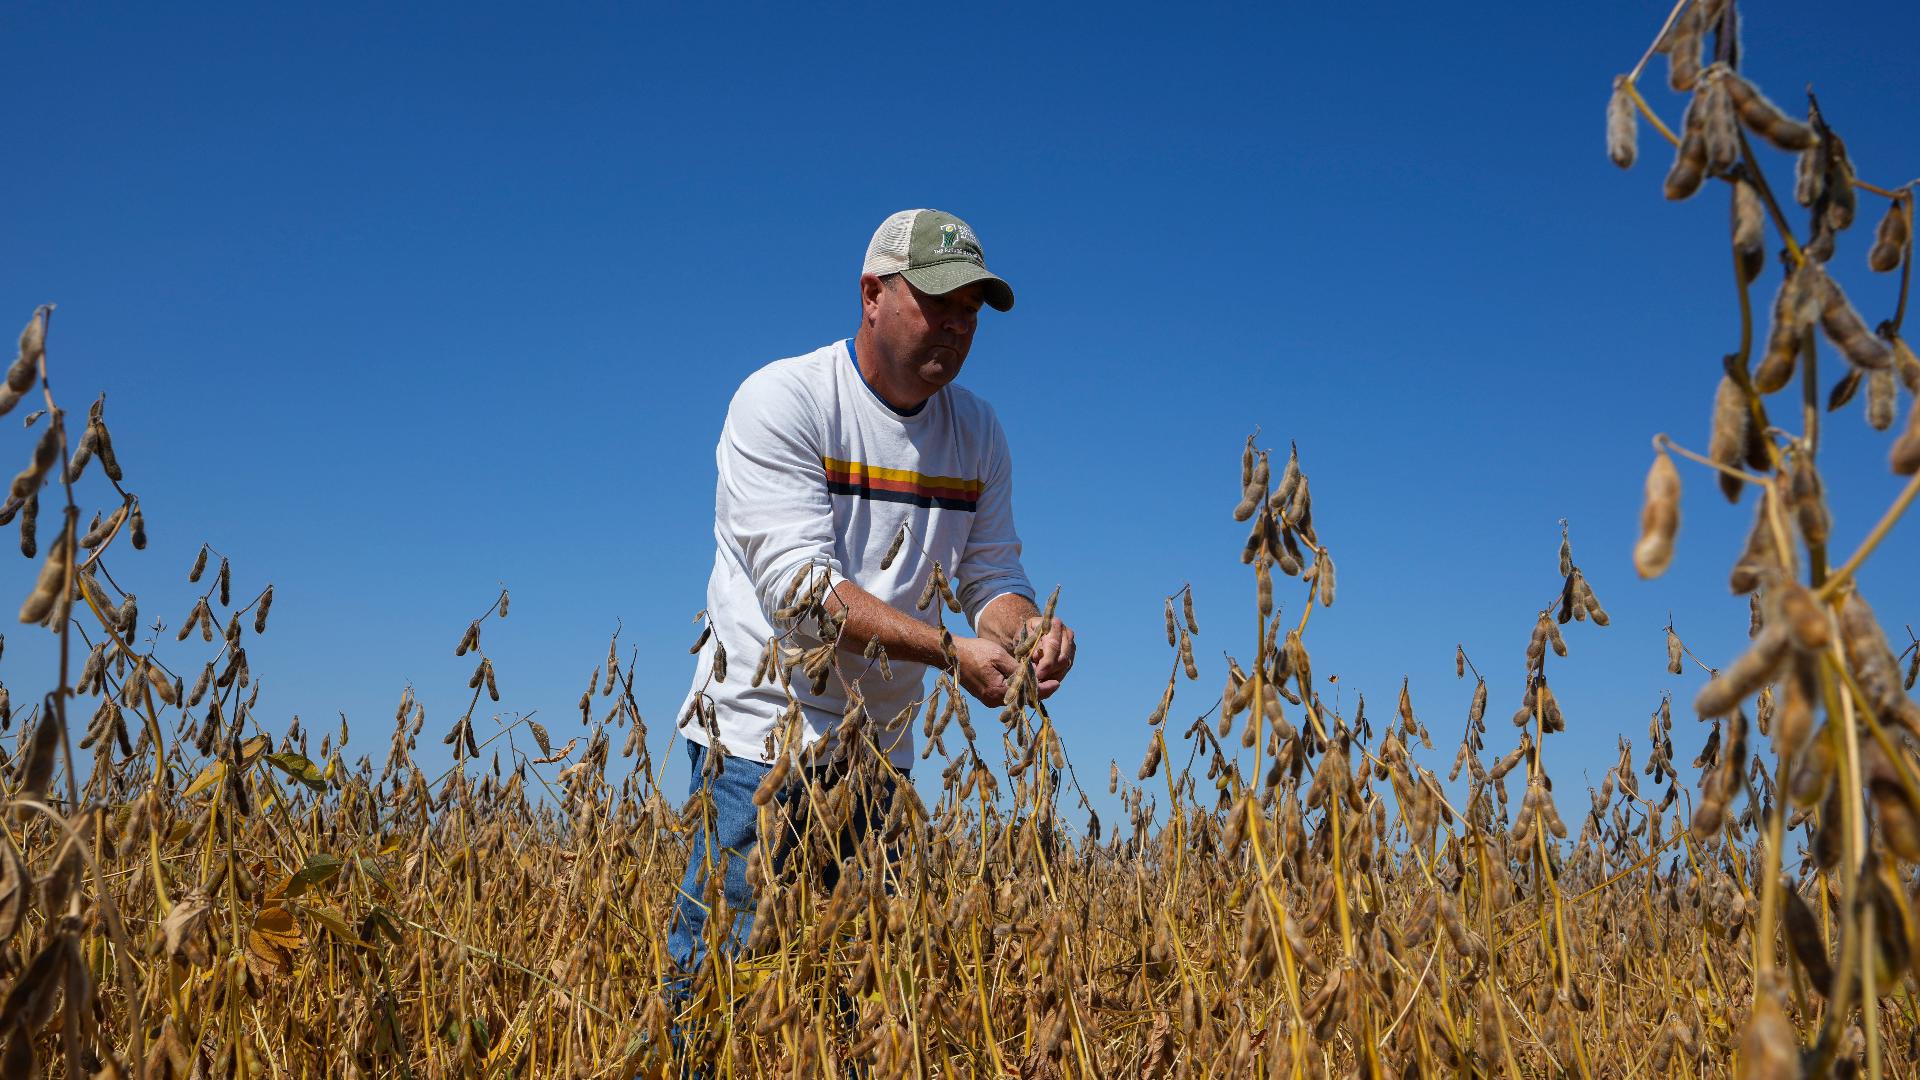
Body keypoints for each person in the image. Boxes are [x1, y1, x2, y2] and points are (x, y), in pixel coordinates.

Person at [663, 208, 1076, 1023]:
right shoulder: (784, 401)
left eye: (972, 313)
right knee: (717, 991)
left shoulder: (978, 433)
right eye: (938, 304)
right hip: (756, 744)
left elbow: (990, 576)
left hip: (881, 763)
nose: (957, 327)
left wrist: (1027, 632)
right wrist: (948, 654)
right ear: (872, 294)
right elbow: (802, 597)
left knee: (858, 1001)